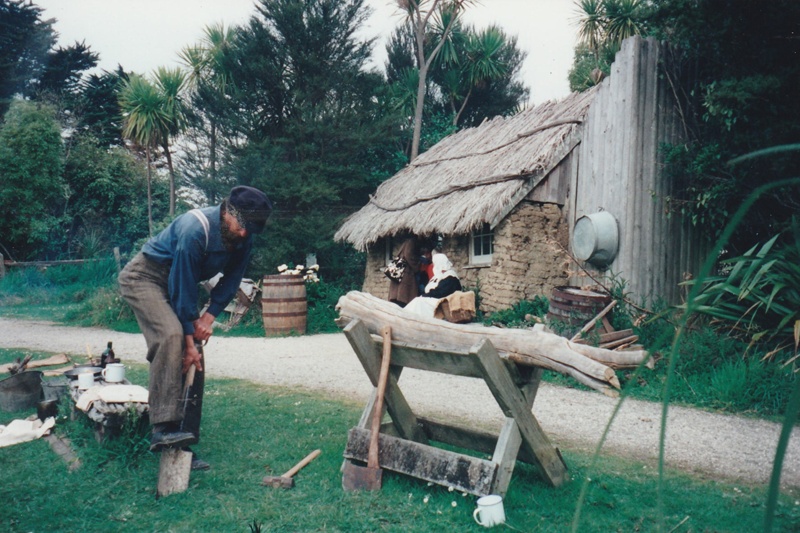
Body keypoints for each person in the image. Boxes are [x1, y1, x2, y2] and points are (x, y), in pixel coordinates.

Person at [118, 185, 272, 470]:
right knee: (172, 336)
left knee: (196, 356)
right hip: (145, 278)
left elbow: (232, 279)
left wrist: (208, 318)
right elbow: (182, 290)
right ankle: (163, 429)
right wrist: (189, 341)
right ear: (229, 212)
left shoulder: (243, 236)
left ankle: (183, 442)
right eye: (243, 226)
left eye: (251, 230)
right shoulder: (194, 229)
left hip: (178, 282)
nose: (244, 234)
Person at [403, 253, 462, 317]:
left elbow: (441, 292)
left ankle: (405, 316)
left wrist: (426, 295)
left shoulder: (450, 276)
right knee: (418, 301)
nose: (433, 265)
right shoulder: (439, 275)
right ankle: (404, 315)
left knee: (419, 302)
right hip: (435, 300)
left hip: (442, 303)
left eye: (434, 263)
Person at [388, 237, 420, 307]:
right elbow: (408, 255)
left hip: (401, 271)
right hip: (405, 272)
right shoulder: (411, 242)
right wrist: (417, 267)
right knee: (402, 296)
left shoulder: (407, 241)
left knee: (398, 296)